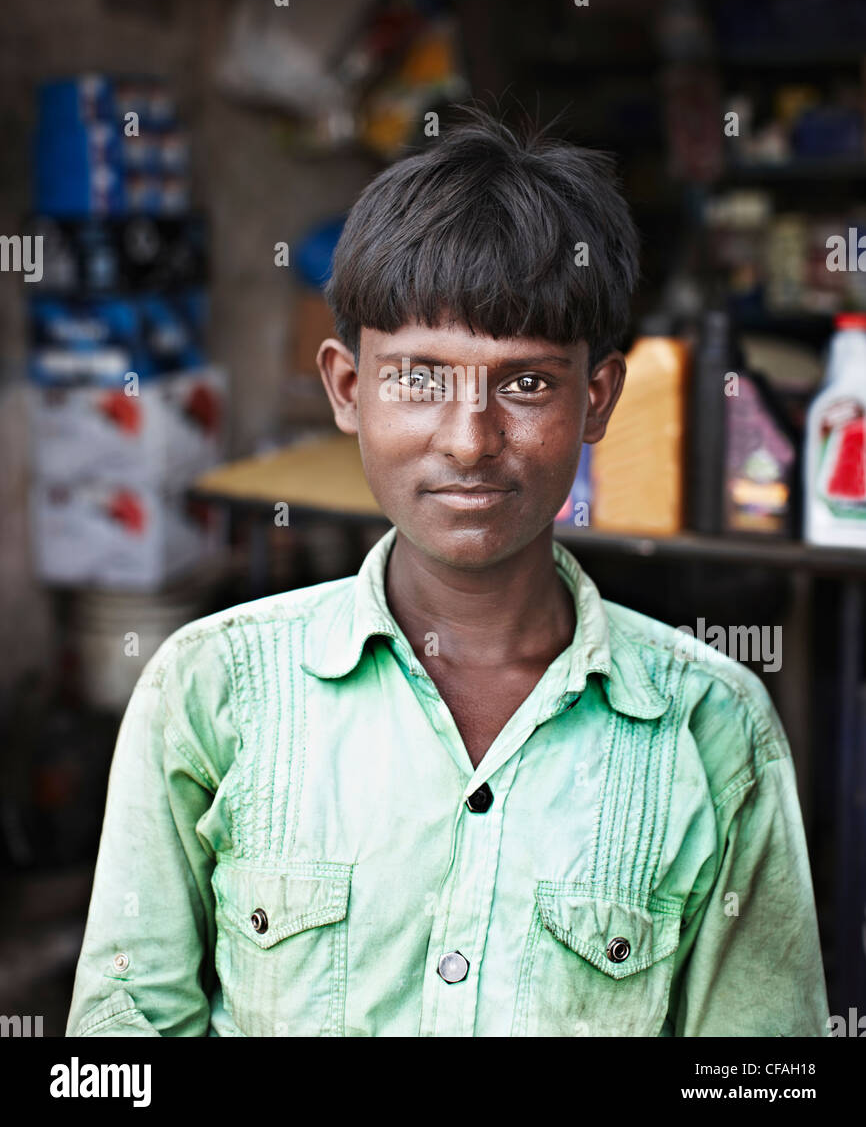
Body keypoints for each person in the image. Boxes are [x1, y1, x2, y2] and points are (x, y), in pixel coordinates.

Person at [66, 107, 830, 1037]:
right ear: (348, 389)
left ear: (597, 402)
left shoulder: (714, 734)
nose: (470, 440)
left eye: (526, 383)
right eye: (420, 377)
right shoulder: (210, 692)